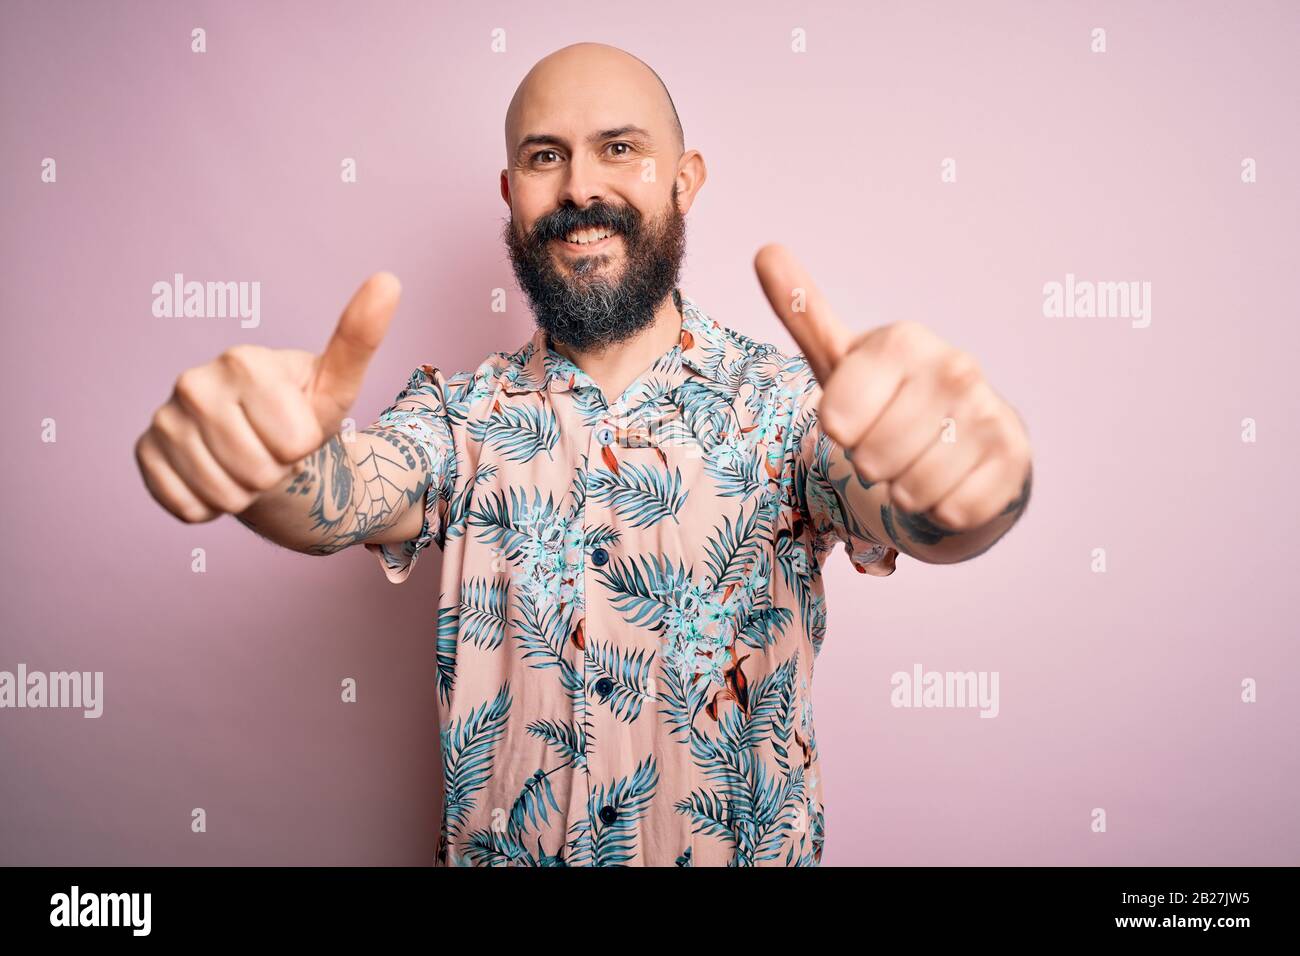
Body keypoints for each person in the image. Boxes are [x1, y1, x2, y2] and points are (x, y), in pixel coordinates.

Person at [134, 42, 1033, 867]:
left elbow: (913, 512)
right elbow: (344, 496)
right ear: (511, 192)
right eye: (545, 156)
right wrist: (264, 467)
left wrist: (973, 489)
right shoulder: (457, 414)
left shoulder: (792, 409)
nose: (578, 188)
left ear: (685, 180)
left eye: (619, 148)